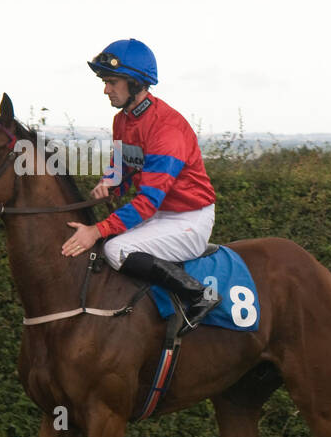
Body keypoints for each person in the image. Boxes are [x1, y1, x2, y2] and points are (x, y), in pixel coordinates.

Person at [61, 38, 220, 326]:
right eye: (105, 82)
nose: (106, 89)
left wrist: (96, 230)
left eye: (111, 82)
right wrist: (111, 183)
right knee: (107, 241)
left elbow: (148, 201)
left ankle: (200, 294)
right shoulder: (122, 121)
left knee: (112, 248)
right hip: (163, 216)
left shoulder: (166, 129)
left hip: (189, 221)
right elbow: (124, 169)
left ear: (135, 83)